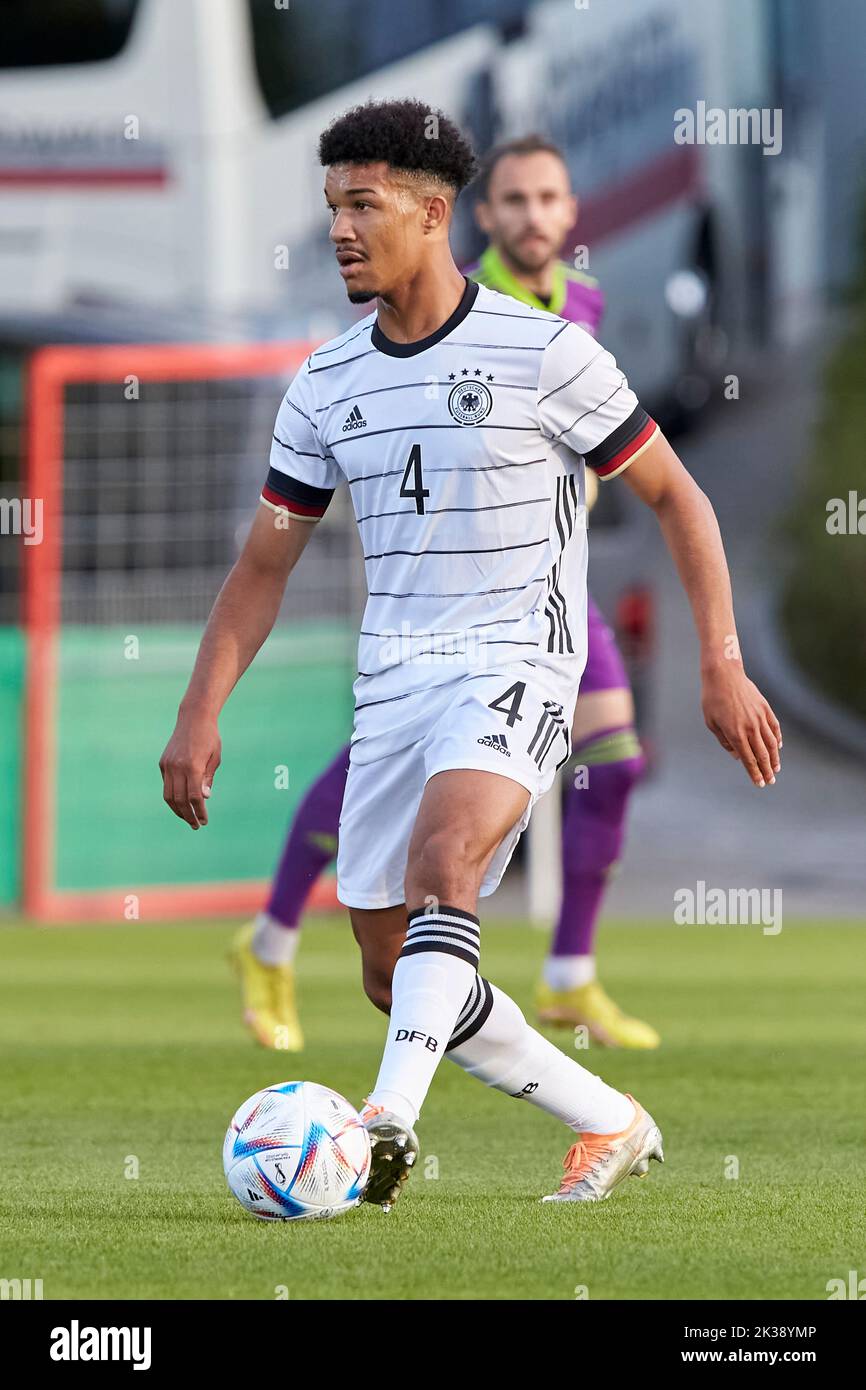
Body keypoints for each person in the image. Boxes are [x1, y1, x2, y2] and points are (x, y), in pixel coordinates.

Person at [160, 100, 781, 1208]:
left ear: (433, 210)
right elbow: (263, 566)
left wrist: (721, 660)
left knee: (444, 865)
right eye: (332, 207)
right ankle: (607, 1118)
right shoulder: (325, 385)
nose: (341, 228)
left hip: (517, 657)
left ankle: (380, 1126)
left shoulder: (544, 351)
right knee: (388, 968)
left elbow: (678, 498)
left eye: (364, 205)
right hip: (393, 680)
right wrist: (198, 709)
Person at [233, 135, 658, 1055]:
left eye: (549, 197)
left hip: (548, 582)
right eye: (514, 200)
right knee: (390, 787)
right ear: (479, 216)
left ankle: (568, 976)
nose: (533, 216)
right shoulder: (454, 298)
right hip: (447, 595)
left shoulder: (580, 306)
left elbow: (641, 466)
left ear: (571, 211)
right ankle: (270, 935)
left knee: (614, 759)